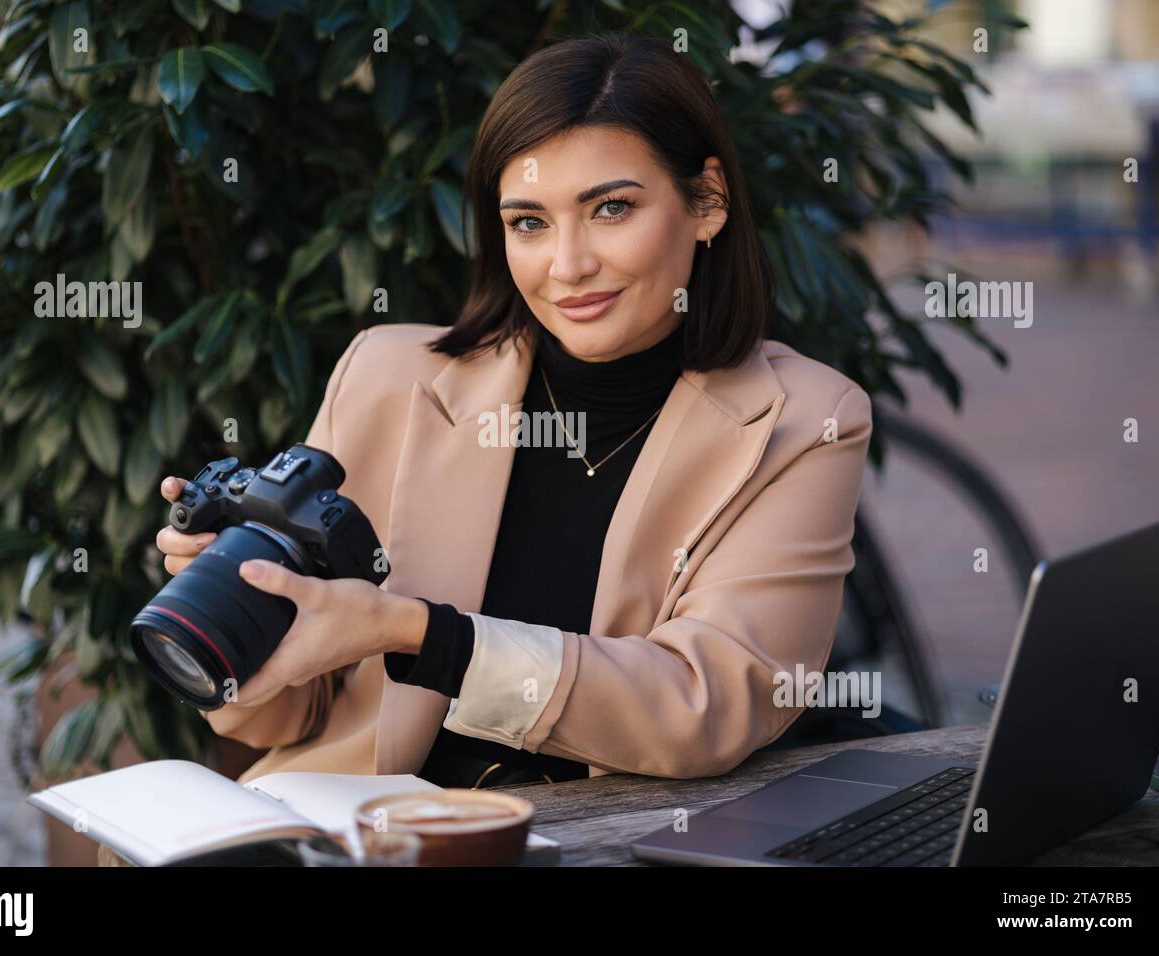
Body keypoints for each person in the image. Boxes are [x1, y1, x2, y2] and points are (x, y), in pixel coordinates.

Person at [154, 32, 872, 788]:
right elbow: (282, 717)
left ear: (708, 201)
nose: (568, 265)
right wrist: (239, 609)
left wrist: (418, 634)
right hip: (366, 834)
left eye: (612, 209)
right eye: (529, 222)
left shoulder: (807, 422)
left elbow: (707, 705)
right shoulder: (386, 376)